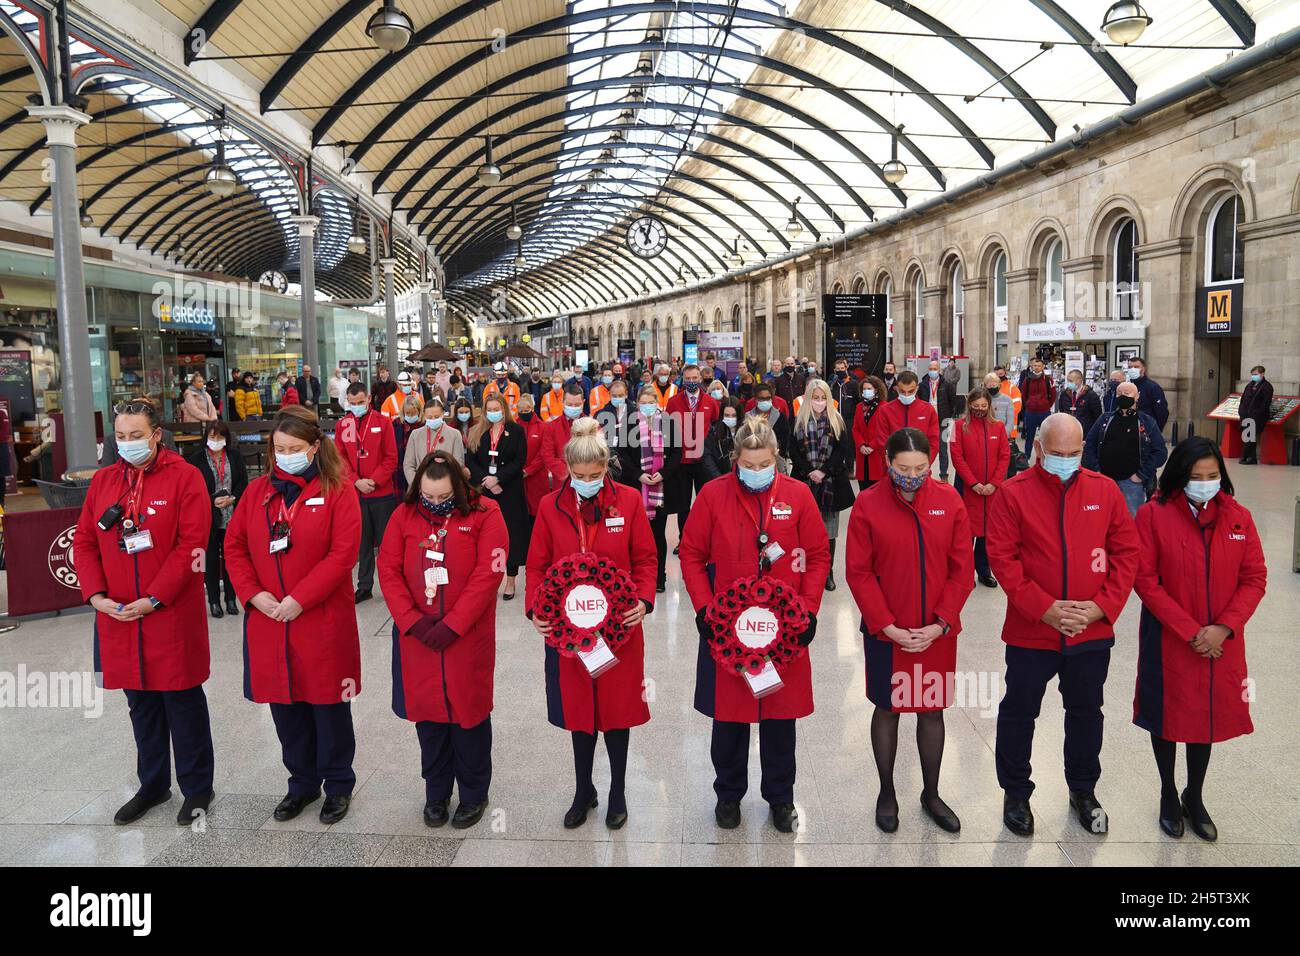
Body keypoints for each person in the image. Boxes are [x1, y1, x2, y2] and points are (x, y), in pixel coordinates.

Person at [986, 413, 1140, 837]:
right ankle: (1016, 792)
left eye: (1074, 454)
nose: (1066, 461)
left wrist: (1100, 608)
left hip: (1091, 632)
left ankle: (1083, 790)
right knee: (1019, 712)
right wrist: (1044, 608)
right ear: (1038, 449)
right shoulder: (1013, 494)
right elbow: (1003, 558)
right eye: (1057, 454)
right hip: (1032, 631)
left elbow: (1127, 554)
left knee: (1087, 712)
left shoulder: (1104, 491)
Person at [680, 417, 827, 833]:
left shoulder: (798, 496)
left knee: (781, 719)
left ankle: (780, 798)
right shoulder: (712, 495)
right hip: (727, 632)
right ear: (735, 460)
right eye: (749, 463)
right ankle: (728, 795)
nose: (756, 470)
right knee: (729, 719)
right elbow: (690, 554)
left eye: (764, 463)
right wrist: (704, 609)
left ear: (776, 459)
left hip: (784, 633)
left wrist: (809, 609)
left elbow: (816, 555)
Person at [73, 398, 215, 825]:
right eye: (120, 437)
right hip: (117, 614)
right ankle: (153, 784)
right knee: (141, 706)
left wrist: (154, 598)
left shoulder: (185, 478)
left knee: (182, 704)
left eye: (137, 436)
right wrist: (96, 596)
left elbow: (191, 545)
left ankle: (197, 789)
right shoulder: (104, 482)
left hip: (168, 613)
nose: (128, 444)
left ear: (157, 435)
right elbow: (83, 542)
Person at [225, 407, 361, 825]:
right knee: (286, 707)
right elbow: (235, 547)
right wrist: (253, 595)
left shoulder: (339, 490)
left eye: (294, 449)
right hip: (269, 619)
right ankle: (300, 783)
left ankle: (337, 784)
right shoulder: (257, 492)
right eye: (279, 449)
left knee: (327, 706)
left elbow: (343, 556)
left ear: (315, 448)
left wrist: (301, 598)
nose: (285, 455)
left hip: (319, 619)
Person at [1132, 437, 1266, 841]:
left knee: (1206, 717)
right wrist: (1191, 630)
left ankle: (1196, 793)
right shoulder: (1153, 515)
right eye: (1195, 477)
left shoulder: (1238, 516)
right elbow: (1145, 580)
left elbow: (1254, 577)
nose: (1204, 483)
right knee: (1167, 715)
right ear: (1179, 477)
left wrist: (1222, 627)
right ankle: (1168, 792)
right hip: (1170, 636)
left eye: (1212, 476)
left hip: (1220, 640)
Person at [525, 418, 657, 830]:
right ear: (567, 470)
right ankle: (584, 789)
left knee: (617, 712)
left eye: (595, 475)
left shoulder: (631, 501)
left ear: (606, 466)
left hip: (619, 631)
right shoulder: (550, 506)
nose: (588, 482)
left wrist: (643, 600)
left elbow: (646, 560)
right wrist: (537, 610)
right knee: (580, 714)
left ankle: (617, 788)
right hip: (570, 634)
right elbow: (537, 566)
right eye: (579, 476)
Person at [845, 427, 974, 833]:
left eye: (921, 468)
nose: (913, 475)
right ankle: (887, 791)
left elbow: (961, 569)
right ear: (888, 462)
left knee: (931, 710)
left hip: (936, 631)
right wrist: (888, 626)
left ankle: (931, 793)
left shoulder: (949, 500)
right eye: (904, 468)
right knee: (888, 709)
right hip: (888, 632)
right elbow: (859, 573)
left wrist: (941, 622)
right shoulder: (868, 504)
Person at [378, 451, 508, 829]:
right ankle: (436, 792)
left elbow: (489, 573)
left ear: (460, 485)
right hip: (417, 637)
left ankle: (473, 794)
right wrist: (412, 622)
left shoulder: (485, 514)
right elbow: (388, 569)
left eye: (443, 496)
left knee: (468, 717)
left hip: (466, 637)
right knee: (430, 719)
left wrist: (453, 625)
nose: (435, 503)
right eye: (428, 496)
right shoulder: (404, 515)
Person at [336, 381, 398, 603]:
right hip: (357, 495)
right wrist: (356, 481)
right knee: (362, 545)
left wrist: (373, 480)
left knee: (387, 546)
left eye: (360, 402)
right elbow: (339, 459)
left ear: (369, 399)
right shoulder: (343, 425)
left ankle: (392, 586)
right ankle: (364, 586)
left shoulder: (383, 422)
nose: (356, 406)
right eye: (352, 403)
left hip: (382, 494)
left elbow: (391, 457)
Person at [789, 378, 854, 591]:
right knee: (803, 530)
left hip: (830, 483)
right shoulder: (798, 420)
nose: (819, 401)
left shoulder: (837, 420)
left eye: (822, 397)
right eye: (815, 398)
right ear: (808, 399)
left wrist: (823, 471)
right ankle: (805, 569)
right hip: (804, 481)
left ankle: (828, 572)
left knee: (829, 532)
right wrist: (810, 471)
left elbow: (841, 451)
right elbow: (793, 452)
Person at [617, 385, 683, 592]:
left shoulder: (668, 422)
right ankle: (634, 575)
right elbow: (622, 454)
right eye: (643, 402)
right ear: (637, 403)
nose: (647, 406)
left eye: (651, 402)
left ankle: (659, 578)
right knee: (635, 535)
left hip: (661, 488)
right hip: (636, 486)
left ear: (657, 402)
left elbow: (676, 453)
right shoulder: (628, 423)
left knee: (657, 535)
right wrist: (639, 474)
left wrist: (662, 474)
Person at [466, 393, 528, 600]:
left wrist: (499, 479)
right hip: (485, 491)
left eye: (497, 409)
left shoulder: (516, 431)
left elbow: (519, 461)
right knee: (486, 537)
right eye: (490, 410)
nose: (494, 413)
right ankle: (488, 580)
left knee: (512, 535)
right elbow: (471, 461)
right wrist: (487, 480)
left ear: (504, 409)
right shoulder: (477, 432)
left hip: (509, 490)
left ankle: (510, 581)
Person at [949, 386, 1010, 589]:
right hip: (968, 488)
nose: (980, 409)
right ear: (969, 405)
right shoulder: (958, 426)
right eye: (976, 406)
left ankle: (984, 571)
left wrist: (994, 483)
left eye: (984, 406)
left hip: (992, 490)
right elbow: (957, 457)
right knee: (965, 534)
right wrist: (973, 483)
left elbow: (1004, 456)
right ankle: (965, 573)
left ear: (989, 406)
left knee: (987, 533)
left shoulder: (999, 427)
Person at [186, 420, 248, 617]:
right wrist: (211, 501)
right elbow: (193, 488)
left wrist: (232, 498)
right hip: (208, 516)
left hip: (232, 515)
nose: (216, 441)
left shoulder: (235, 456)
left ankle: (231, 599)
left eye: (220, 437)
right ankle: (214, 601)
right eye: (212, 437)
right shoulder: (196, 459)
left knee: (231, 558)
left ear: (226, 438)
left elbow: (243, 482)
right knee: (211, 559)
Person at [1083, 380, 1168, 516]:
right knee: (1102, 518)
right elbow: (1089, 445)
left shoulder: (1147, 422)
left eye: (1127, 393)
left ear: (1137, 396)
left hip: (1132, 483)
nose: (1123, 396)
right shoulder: (1105, 419)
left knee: (1131, 520)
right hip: (1104, 481)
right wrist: (1096, 470)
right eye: (1119, 393)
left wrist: (1141, 475)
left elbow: (1160, 452)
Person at [666, 363, 720, 548]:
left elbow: (715, 425)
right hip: (681, 461)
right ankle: (684, 541)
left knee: (706, 503)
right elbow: (668, 429)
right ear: (683, 379)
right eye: (687, 379)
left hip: (703, 460)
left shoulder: (711, 402)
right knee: (683, 505)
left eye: (694, 378)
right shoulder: (673, 403)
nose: (691, 382)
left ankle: (707, 540)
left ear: (700, 378)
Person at [869, 370, 939, 467]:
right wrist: (891, 463)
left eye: (910, 391)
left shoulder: (928, 410)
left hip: (921, 468)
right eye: (902, 391)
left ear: (917, 389)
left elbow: (934, 441)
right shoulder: (885, 410)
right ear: (896, 388)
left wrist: (925, 464)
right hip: (894, 468)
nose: (906, 395)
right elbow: (882, 440)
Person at [403, 396, 466, 484]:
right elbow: (408, 464)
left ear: (443, 413)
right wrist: (416, 483)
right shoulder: (415, 434)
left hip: (446, 485)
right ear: (424, 415)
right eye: (429, 417)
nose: (433, 419)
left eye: (436, 416)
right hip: (420, 484)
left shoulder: (455, 434)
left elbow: (459, 464)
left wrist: (447, 484)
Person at [541, 382, 586, 493]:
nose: (573, 408)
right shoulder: (551, 427)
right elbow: (548, 455)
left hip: (587, 481)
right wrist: (566, 474)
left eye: (577, 405)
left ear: (583, 403)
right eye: (569, 404)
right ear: (563, 402)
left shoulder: (592, 425)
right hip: (562, 484)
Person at [918, 360, 959, 481]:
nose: (932, 371)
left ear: (939, 370)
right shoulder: (923, 385)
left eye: (935, 369)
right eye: (930, 369)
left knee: (943, 449)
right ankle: (924, 471)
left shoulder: (947, 384)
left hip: (943, 420)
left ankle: (944, 474)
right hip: (927, 421)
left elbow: (953, 402)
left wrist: (949, 416)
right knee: (926, 447)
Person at [516, 393, 550, 533]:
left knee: (537, 513)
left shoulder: (542, 427)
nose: (524, 413)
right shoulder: (513, 426)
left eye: (527, 409)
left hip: (537, 479)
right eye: (521, 411)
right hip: (517, 478)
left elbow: (543, 453)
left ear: (532, 408)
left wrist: (528, 471)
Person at [851, 374, 888, 494]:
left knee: (878, 491)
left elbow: (884, 431)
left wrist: (872, 446)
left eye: (869, 389)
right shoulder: (858, 407)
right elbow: (855, 429)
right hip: (862, 454)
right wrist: (861, 445)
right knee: (863, 490)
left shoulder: (884, 407)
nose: (866, 391)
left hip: (876, 453)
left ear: (876, 390)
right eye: (864, 389)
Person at [1017, 358, 1056, 463]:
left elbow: (1053, 395)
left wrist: (1047, 405)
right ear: (1032, 366)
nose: (1037, 367)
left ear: (1043, 367)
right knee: (1029, 437)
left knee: (1046, 437)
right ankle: (1026, 458)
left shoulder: (1048, 379)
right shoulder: (1027, 380)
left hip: (1044, 412)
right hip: (1031, 412)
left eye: (1039, 366)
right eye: (1035, 365)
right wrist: (1029, 404)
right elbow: (1023, 394)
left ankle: (1046, 459)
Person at [746, 382, 791, 463]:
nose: (765, 401)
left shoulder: (780, 417)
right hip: (753, 460)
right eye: (761, 399)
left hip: (776, 459)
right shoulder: (748, 417)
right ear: (755, 399)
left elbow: (786, 439)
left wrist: (779, 455)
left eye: (768, 398)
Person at [1236, 365, 1272, 464]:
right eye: (1252, 375)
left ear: (1262, 374)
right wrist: (1241, 411)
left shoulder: (1267, 387)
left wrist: (1256, 414)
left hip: (1257, 416)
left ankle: (1244, 456)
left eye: (1256, 374)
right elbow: (1243, 399)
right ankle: (1252, 458)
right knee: (1248, 437)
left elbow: (1265, 403)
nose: (1254, 376)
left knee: (1250, 437)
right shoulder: (1249, 385)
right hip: (1245, 415)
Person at [391, 392, 425, 496]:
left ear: (419, 412)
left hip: (419, 465)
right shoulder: (396, 425)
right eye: (408, 413)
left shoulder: (424, 425)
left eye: (413, 413)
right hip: (400, 466)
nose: (410, 416)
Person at [702, 398, 743, 480]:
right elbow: (707, 457)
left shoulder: (747, 431)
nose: (730, 418)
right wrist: (720, 478)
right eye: (727, 415)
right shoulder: (713, 431)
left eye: (734, 415)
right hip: (720, 477)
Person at [1126, 357, 1169, 431]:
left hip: (1147, 429)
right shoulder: (1127, 386)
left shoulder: (1152, 387)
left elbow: (1162, 412)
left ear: (1143, 369)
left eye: (1136, 367)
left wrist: (1155, 430)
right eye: (1130, 367)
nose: (1133, 369)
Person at [1056, 369, 1102, 438]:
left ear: (1080, 380)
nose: (1069, 383)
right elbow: (1062, 410)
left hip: (1084, 433)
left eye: (1071, 381)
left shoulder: (1091, 395)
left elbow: (1097, 415)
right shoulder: (1064, 394)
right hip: (1067, 431)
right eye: (1068, 380)